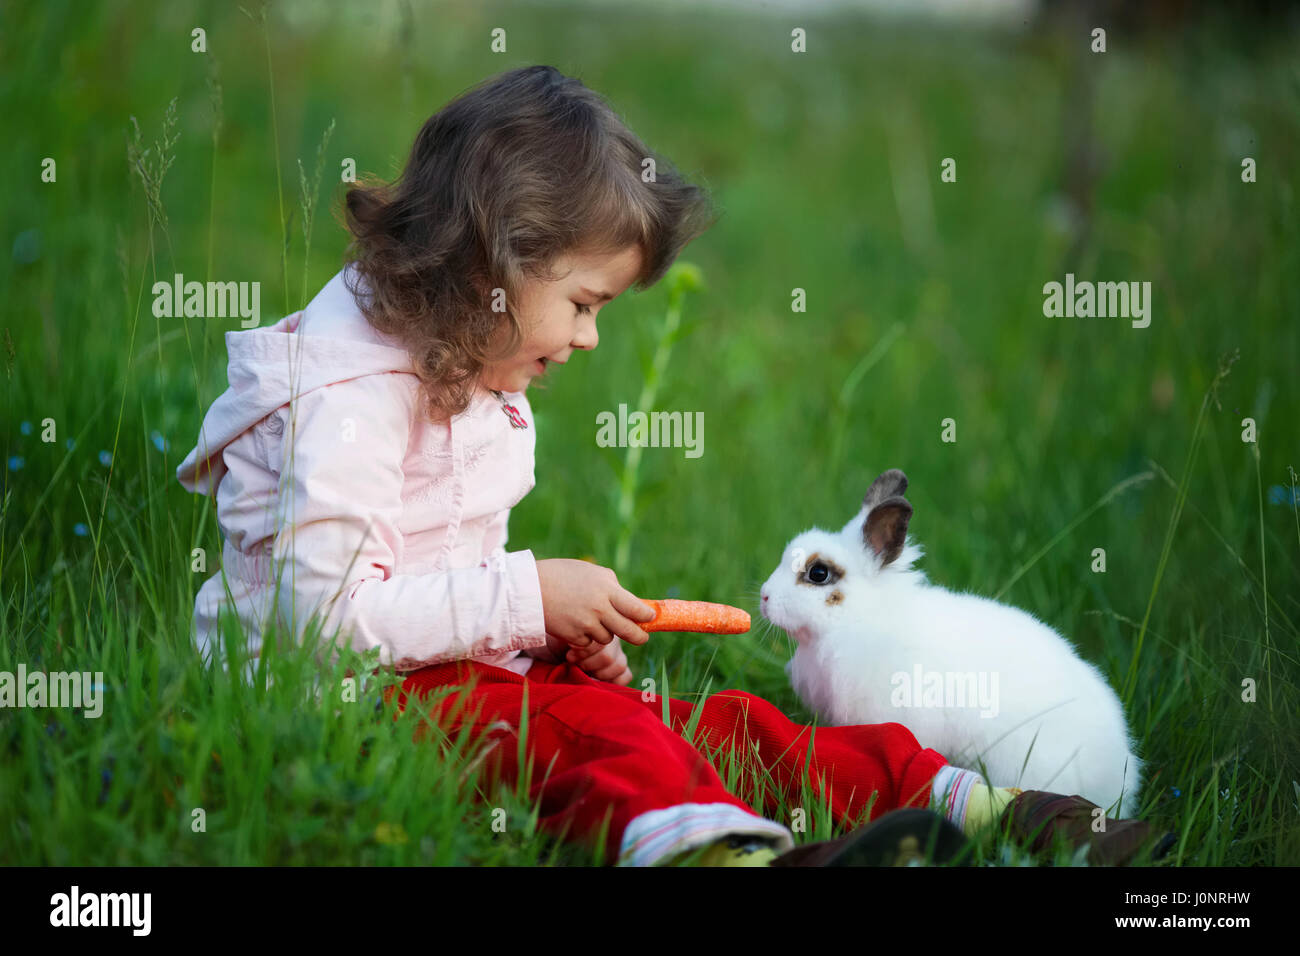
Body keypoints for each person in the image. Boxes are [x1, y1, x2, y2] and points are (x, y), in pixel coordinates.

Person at [176, 65, 1167, 867]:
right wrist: (527, 599)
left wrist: (557, 636)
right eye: (585, 304)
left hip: (450, 668)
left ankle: (971, 801)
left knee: (696, 717)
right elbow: (321, 627)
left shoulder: (468, 352)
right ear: (495, 263)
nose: (590, 338)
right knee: (594, 738)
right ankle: (725, 851)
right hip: (341, 697)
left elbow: (448, 580)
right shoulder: (347, 395)